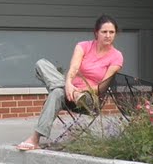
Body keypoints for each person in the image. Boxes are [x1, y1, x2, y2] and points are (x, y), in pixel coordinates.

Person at [17, 16, 123, 151]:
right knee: (42, 65)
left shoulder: (116, 56)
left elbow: (102, 86)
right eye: (104, 32)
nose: (108, 35)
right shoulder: (83, 46)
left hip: (89, 98)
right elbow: (73, 69)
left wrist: (82, 91)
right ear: (96, 32)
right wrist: (68, 84)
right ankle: (36, 139)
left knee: (56, 92)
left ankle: (34, 139)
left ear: (115, 34)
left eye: (111, 32)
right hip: (69, 91)